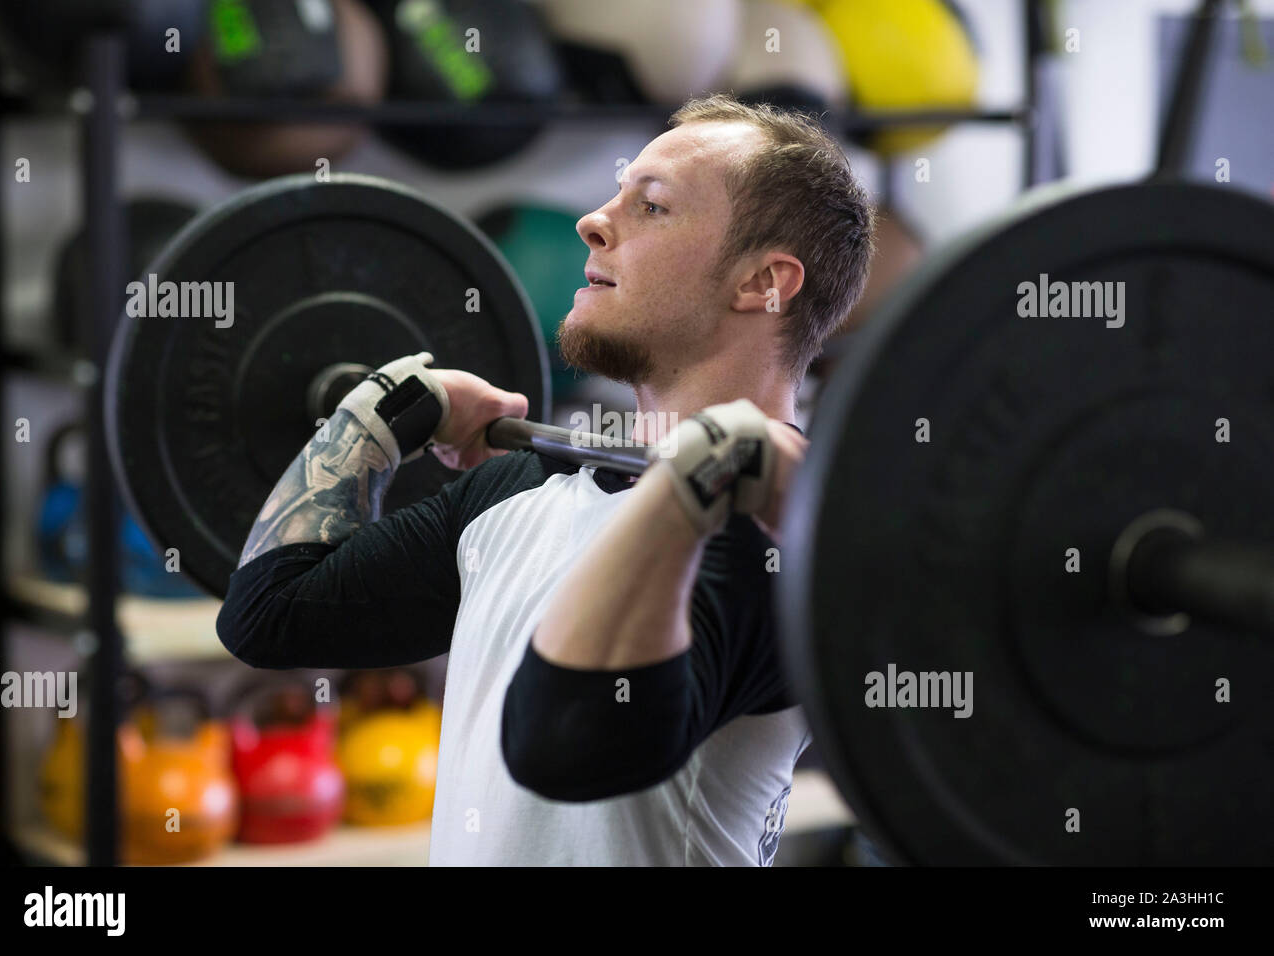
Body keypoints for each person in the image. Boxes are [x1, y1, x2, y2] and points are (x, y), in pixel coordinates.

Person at [216, 93, 874, 865]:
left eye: (652, 205)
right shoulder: (522, 489)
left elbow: (565, 746)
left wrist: (701, 468)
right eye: (616, 193)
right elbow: (269, 616)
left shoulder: (773, 544)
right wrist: (380, 419)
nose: (592, 220)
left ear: (764, 281)